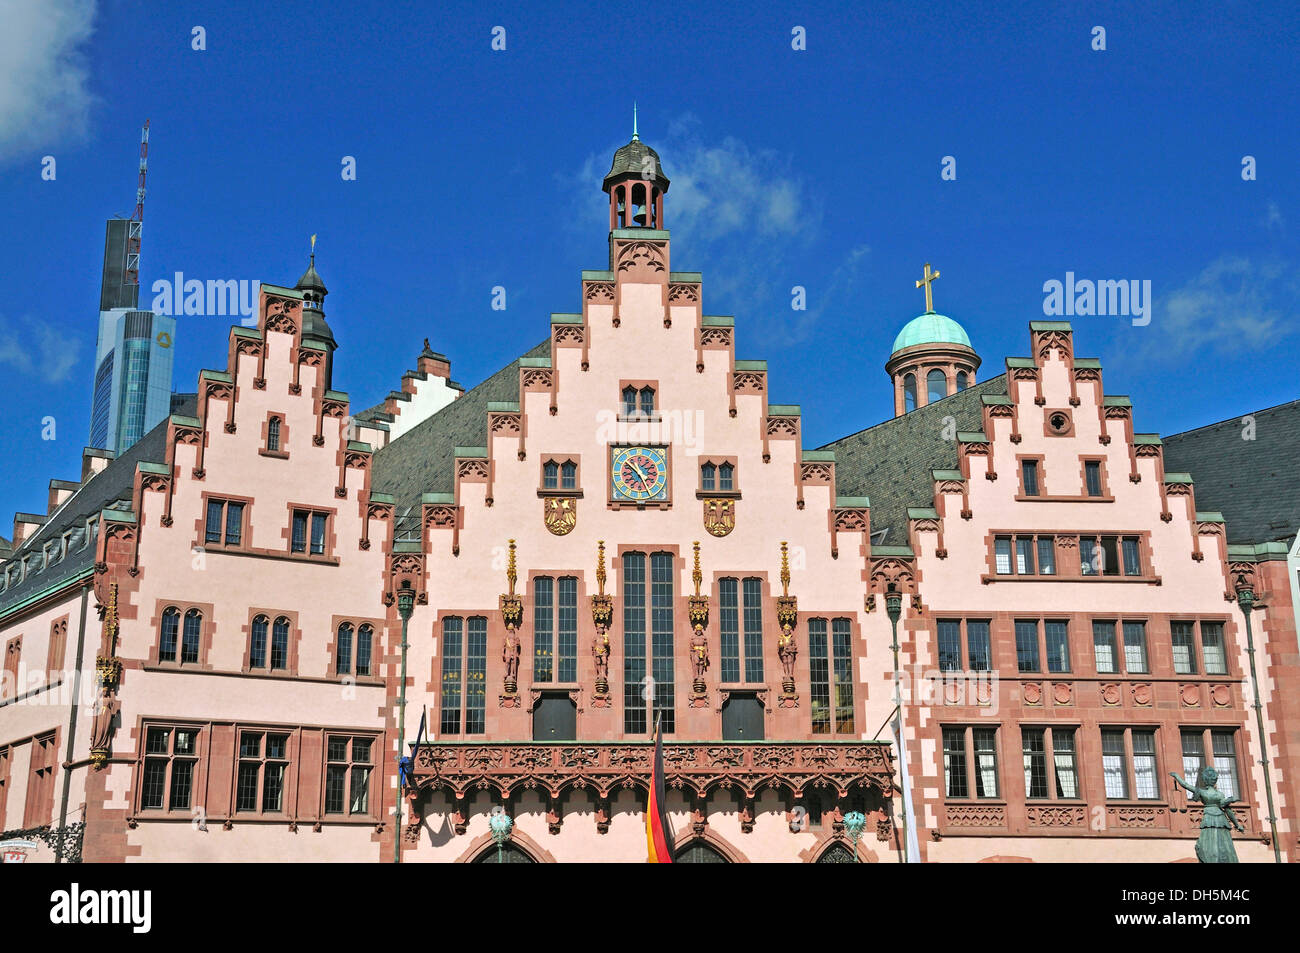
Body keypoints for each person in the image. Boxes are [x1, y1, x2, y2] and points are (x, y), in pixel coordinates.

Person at [1169, 767, 1242, 863]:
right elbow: (1228, 810)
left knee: (1212, 841)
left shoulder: (1204, 792)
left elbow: (1185, 785)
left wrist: (1177, 776)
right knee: (1219, 842)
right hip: (1219, 819)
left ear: (1204, 780)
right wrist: (1237, 824)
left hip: (1212, 819)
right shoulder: (1219, 794)